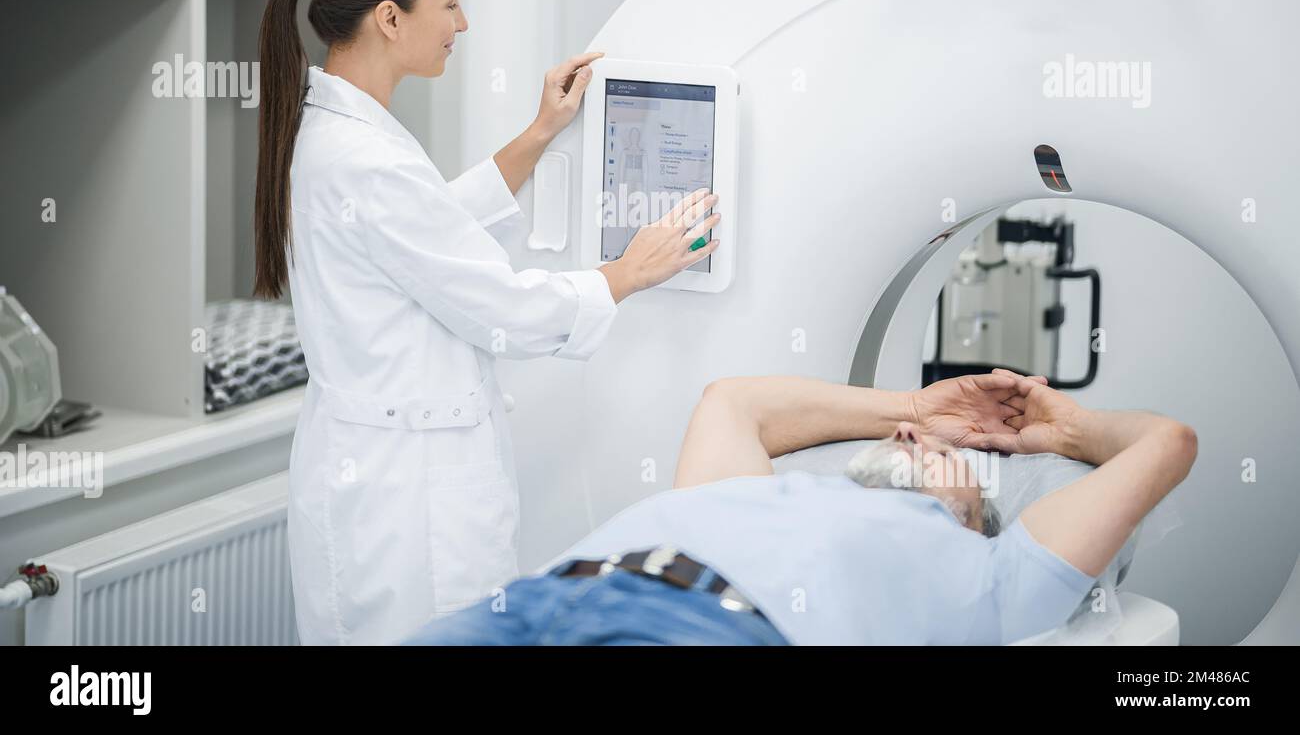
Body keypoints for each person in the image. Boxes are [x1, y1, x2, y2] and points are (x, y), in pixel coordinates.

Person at [252, 0, 720, 645]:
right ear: (390, 18)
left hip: (367, 471)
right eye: (451, 2)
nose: (462, 24)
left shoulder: (332, 130)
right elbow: (500, 307)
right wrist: (623, 274)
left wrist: (539, 134)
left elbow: (425, 233)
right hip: (406, 500)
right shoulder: (365, 160)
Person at [405, 370, 1197, 645]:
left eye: (936, 458)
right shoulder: (756, 495)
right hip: (528, 602)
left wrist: (1067, 429)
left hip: (704, 628)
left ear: (973, 505)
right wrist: (920, 408)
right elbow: (735, 403)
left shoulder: (991, 576)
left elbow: (1170, 443)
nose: (898, 435)